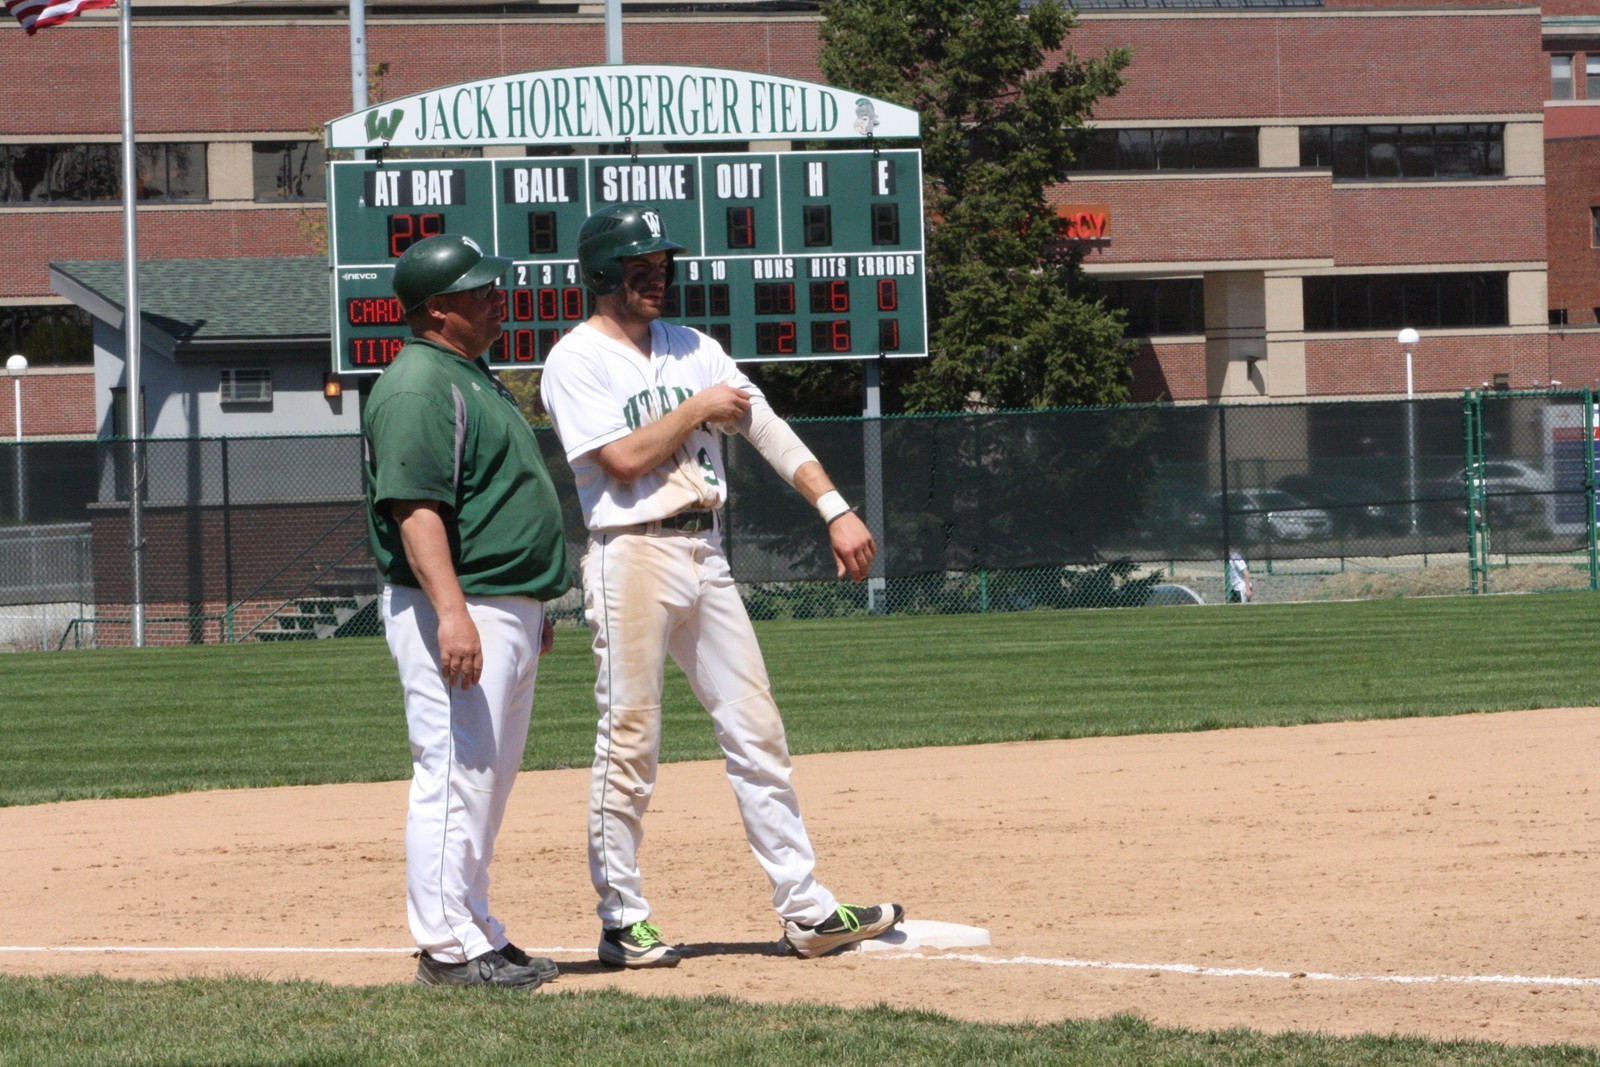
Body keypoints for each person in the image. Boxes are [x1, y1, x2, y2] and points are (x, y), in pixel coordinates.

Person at [539, 202, 904, 967]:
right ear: (602, 274)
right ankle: (622, 918)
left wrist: (833, 507)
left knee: (756, 728)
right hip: (629, 555)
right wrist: (696, 407)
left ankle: (805, 909)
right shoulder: (574, 359)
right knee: (630, 739)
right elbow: (624, 460)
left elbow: (763, 424)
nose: (658, 277)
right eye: (640, 267)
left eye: (663, 265)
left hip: (705, 552)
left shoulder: (692, 346)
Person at [363, 233, 571, 989]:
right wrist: (454, 612)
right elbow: (416, 508)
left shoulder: (468, 372)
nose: (497, 298)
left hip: (501, 601)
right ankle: (448, 948)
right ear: (439, 308)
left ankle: (476, 924)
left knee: (486, 776)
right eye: (480, 290)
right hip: (456, 605)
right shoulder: (420, 382)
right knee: (454, 771)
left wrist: (530, 603)